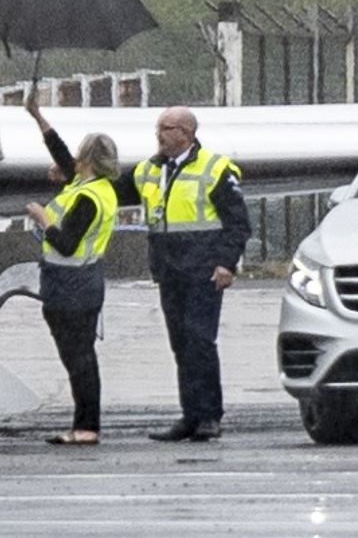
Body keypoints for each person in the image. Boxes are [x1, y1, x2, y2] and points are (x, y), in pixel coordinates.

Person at [125, 105, 249, 442]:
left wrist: (226, 263)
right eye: (158, 128)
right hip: (169, 270)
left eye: (167, 128)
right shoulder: (149, 170)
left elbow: (238, 223)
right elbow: (107, 186)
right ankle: (190, 414)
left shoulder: (216, 169)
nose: (160, 134)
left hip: (202, 270)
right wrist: (67, 167)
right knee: (181, 344)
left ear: (187, 132)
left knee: (200, 340)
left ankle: (209, 415)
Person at [23, 91, 119, 446]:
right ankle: (84, 424)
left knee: (79, 359)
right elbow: (60, 153)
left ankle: (87, 427)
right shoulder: (92, 185)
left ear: (89, 159)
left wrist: (42, 218)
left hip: (73, 286)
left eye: (81, 153)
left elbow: (66, 243)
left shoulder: (87, 198)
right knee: (78, 357)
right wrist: (38, 117)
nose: (73, 157)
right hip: (74, 284)